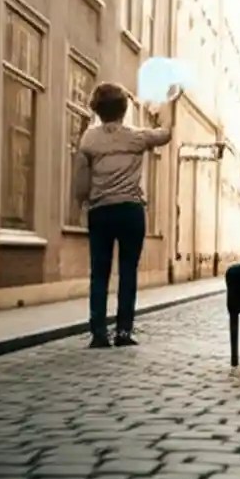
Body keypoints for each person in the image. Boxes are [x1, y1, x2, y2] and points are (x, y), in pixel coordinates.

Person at [72, 81, 180, 348]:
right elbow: (165, 134)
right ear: (124, 109)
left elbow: (81, 179)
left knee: (99, 272)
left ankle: (98, 333)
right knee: (128, 272)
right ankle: (123, 332)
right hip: (130, 210)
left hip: (101, 211)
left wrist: (81, 203)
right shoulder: (136, 136)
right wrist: (171, 101)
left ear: (97, 110)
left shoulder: (88, 138)